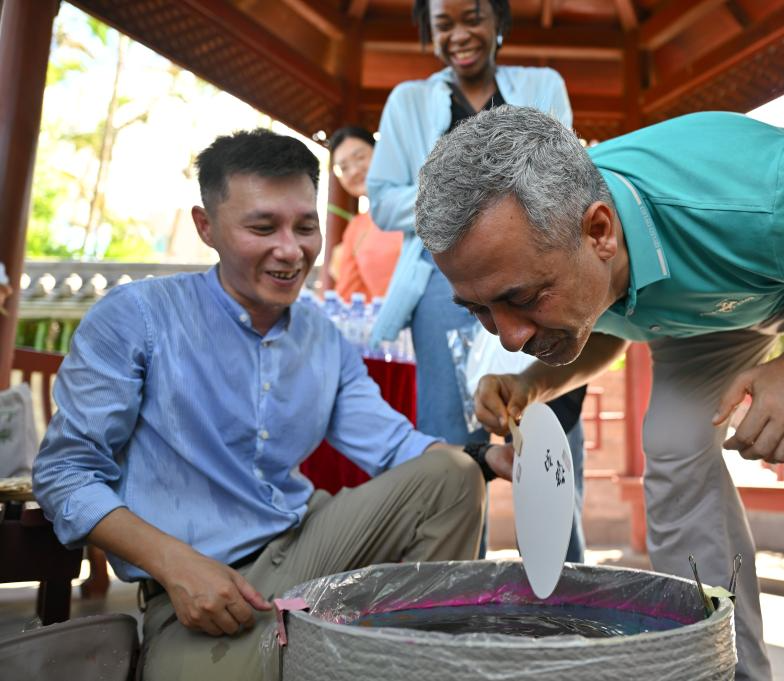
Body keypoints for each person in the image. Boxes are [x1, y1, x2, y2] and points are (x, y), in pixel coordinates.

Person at [415, 105, 784, 681]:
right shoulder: (566, 247)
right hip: (720, 306)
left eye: (521, 300)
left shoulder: (764, 199)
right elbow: (609, 320)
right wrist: (532, 384)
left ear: (600, 232)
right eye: (480, 309)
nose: (510, 337)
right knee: (671, 444)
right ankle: (720, 669)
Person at [31, 129, 512, 681]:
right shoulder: (137, 317)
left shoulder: (323, 337)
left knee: (452, 477)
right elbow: (65, 472)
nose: (290, 250)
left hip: (309, 544)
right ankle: (343, 650)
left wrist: (486, 457)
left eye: (305, 227)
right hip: (199, 584)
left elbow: (393, 444)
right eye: (262, 228)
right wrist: (174, 563)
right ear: (206, 226)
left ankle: (410, 657)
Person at [366, 0, 588, 560]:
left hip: (536, 277)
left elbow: (567, 174)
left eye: (472, 18)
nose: (459, 34)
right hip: (442, 289)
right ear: (430, 32)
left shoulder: (543, 85)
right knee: (452, 436)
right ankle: (457, 580)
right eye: (443, 24)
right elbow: (383, 201)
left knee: (547, 420)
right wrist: (462, 201)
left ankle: (567, 578)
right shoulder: (408, 101)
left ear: (498, 22)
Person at [326, 126, 402, 302]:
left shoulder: (416, 201)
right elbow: (350, 295)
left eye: (360, 157)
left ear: (380, 154)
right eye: (343, 168)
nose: (354, 171)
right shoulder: (356, 227)